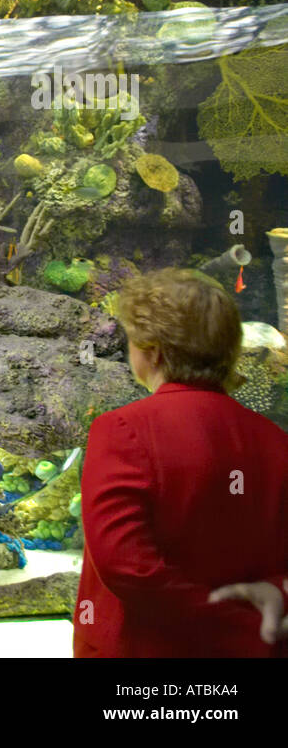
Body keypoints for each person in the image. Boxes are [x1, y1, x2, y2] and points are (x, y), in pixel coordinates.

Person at [75, 267, 288, 657]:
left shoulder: (121, 429)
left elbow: (126, 565)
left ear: (153, 349)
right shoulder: (276, 441)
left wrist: (219, 613)